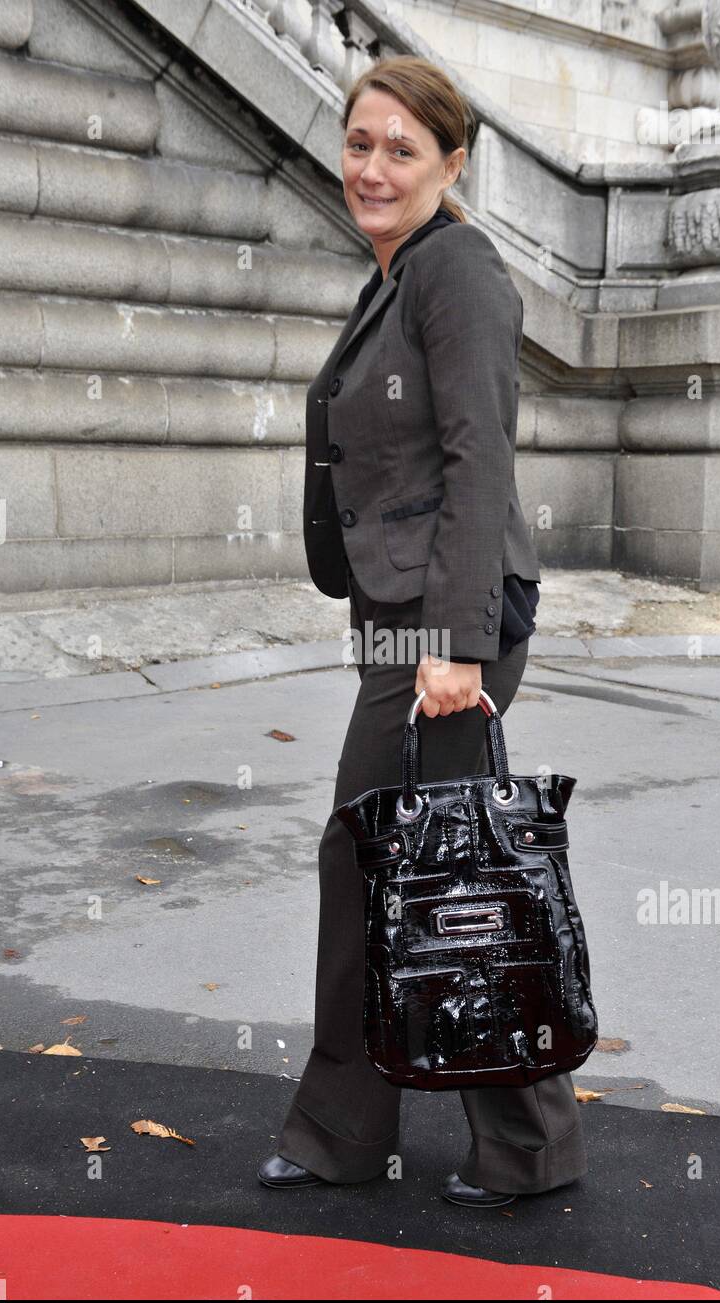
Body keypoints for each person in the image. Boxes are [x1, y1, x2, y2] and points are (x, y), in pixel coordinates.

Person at [259, 55, 588, 1207]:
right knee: (413, 858)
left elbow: (478, 464)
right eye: (360, 143)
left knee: (408, 860)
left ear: (454, 165)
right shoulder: (399, 274)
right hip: (410, 616)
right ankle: (428, 1133)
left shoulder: (458, 274)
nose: (373, 167)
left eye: (403, 149)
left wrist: (450, 646)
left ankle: (492, 1141)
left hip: (449, 625)